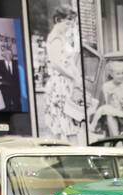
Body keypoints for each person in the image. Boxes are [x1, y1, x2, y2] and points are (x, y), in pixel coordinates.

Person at [42, 7, 85, 142]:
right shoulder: (55, 38)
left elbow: (68, 61)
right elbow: (56, 63)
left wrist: (76, 77)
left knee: (65, 121)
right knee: (65, 121)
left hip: (65, 83)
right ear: (57, 20)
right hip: (60, 84)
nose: (69, 27)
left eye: (71, 24)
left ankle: (61, 155)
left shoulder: (62, 38)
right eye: (67, 23)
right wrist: (72, 76)